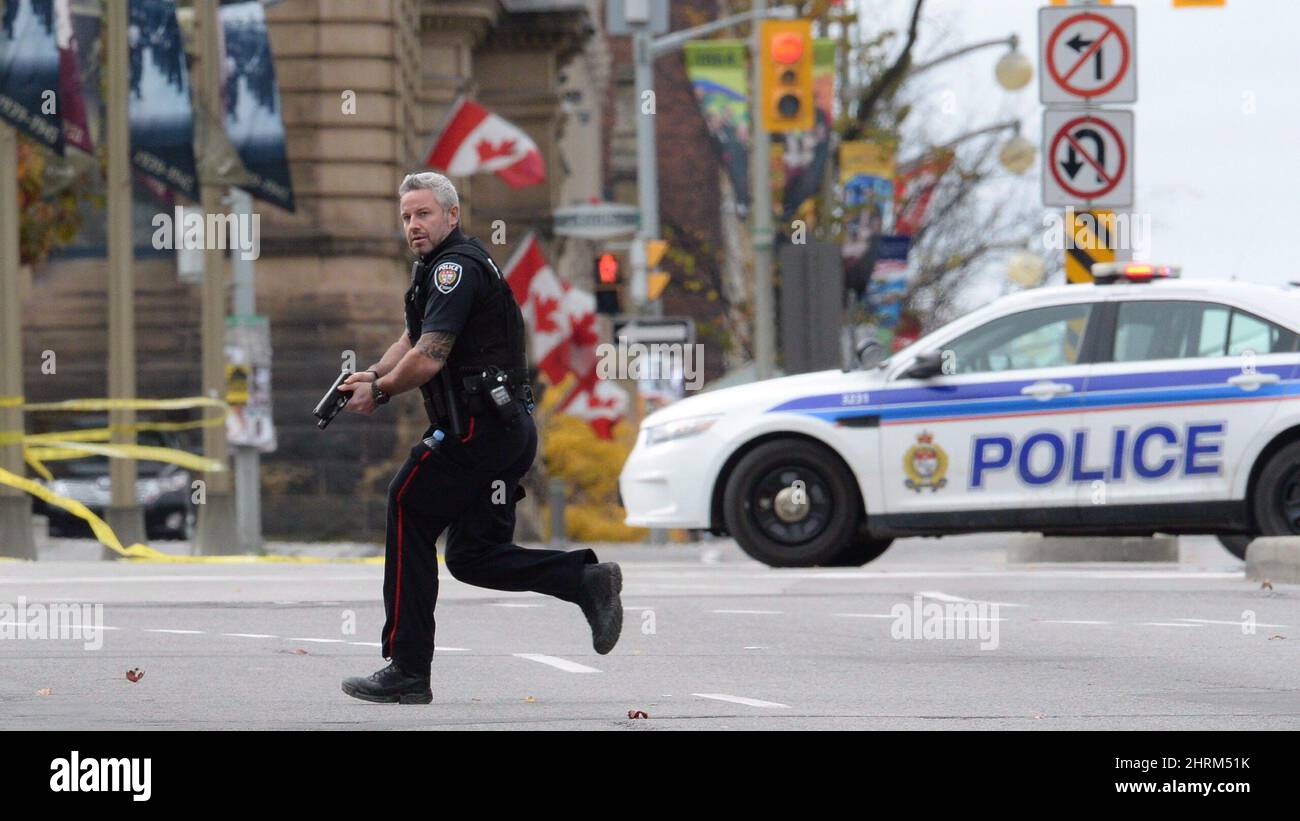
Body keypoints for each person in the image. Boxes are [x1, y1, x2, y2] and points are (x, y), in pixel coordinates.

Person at [337, 171, 623, 704]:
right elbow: (410, 339)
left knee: (406, 504)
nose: (414, 225)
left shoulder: (454, 270)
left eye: (423, 214)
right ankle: (586, 581)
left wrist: (380, 393)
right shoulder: (435, 271)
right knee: (473, 556)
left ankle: (407, 668)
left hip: (474, 433)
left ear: (452, 214)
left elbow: (429, 356)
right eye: (406, 217)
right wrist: (372, 375)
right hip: (501, 432)